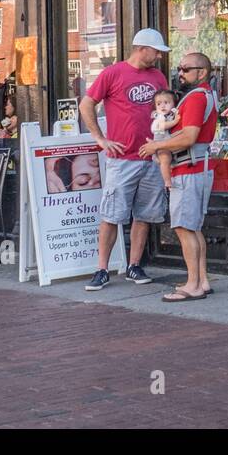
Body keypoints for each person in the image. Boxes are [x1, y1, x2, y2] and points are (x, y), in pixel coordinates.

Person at [78, 28, 171, 290]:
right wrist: (100, 138)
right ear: (141, 48)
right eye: (156, 52)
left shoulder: (158, 77)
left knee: (144, 215)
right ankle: (102, 268)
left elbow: (165, 110)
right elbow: (86, 104)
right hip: (122, 158)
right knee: (112, 214)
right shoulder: (113, 73)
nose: (158, 57)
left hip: (151, 155)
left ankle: (134, 265)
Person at [140, 53, 218, 302]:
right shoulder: (207, 95)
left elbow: (189, 137)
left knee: (184, 228)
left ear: (202, 72)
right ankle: (201, 280)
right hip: (197, 168)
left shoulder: (195, 98)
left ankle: (193, 284)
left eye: (186, 69)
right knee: (194, 228)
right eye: (179, 68)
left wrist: (155, 147)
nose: (180, 73)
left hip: (188, 169)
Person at [149, 90, 180, 190]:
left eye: (166, 103)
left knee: (171, 162)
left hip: (170, 144)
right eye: (159, 104)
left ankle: (171, 178)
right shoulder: (159, 117)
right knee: (165, 160)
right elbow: (160, 126)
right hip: (161, 144)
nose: (162, 106)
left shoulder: (171, 114)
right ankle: (167, 181)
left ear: (173, 104)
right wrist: (175, 122)